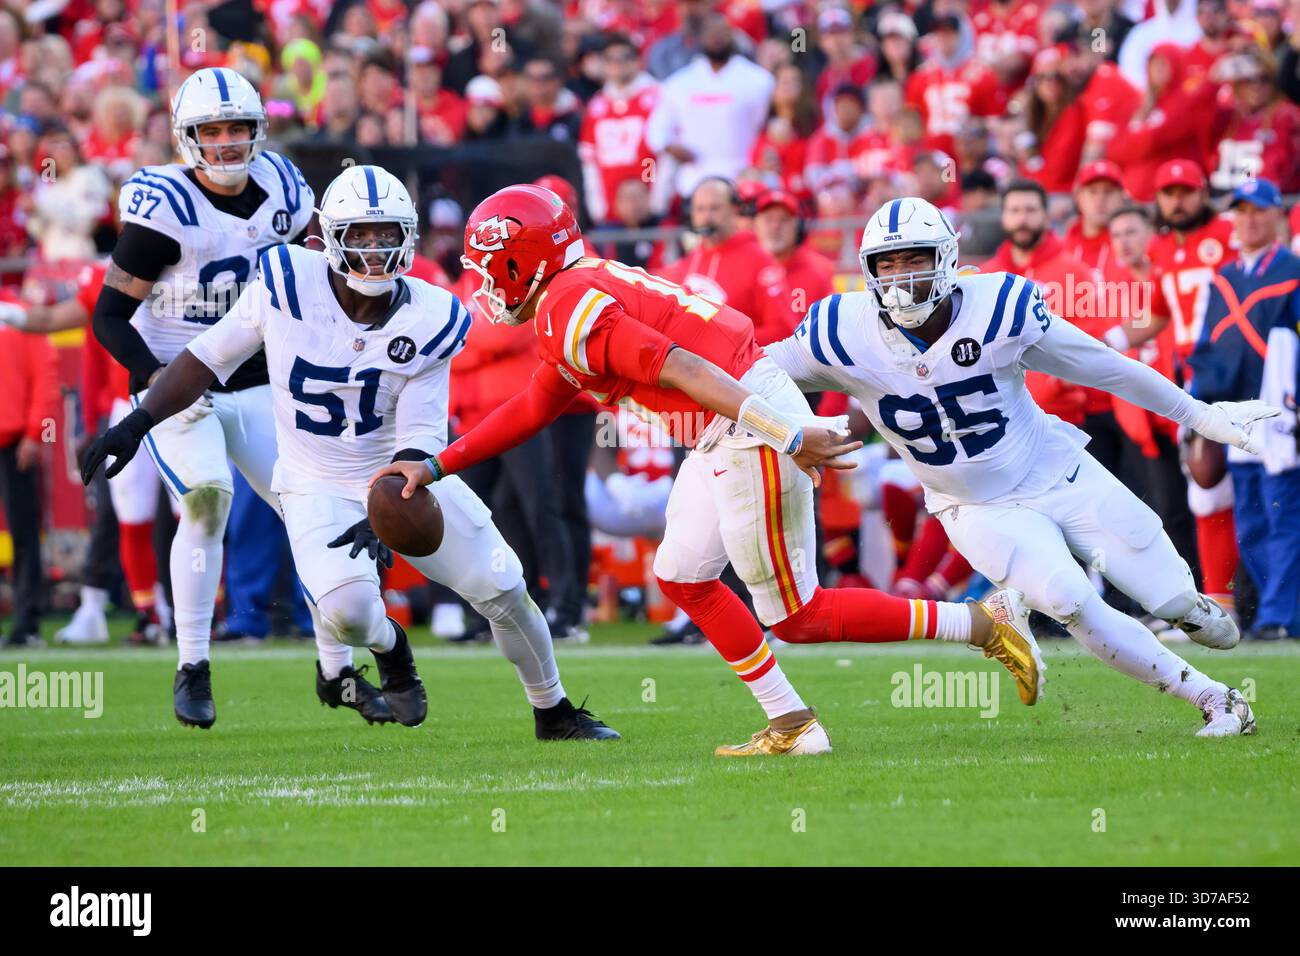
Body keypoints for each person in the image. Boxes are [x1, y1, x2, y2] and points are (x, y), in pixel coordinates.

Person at [373, 184, 1047, 757]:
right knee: (681, 574)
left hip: (744, 422)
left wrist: (784, 434)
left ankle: (982, 624)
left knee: (798, 614)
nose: (488, 284)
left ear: (522, 262)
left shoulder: (569, 308)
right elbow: (533, 406)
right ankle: (792, 721)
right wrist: (435, 464)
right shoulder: (573, 295)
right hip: (729, 423)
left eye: (493, 269)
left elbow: (684, 368)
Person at [81, 165, 617, 742]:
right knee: (351, 614)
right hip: (314, 484)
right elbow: (204, 358)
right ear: (329, 237)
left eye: (387, 234)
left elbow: (421, 435)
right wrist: (139, 421)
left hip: (400, 478)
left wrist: (388, 502)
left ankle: (553, 710)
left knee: (504, 585)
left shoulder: (432, 315)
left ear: (408, 237)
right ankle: (391, 646)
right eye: (360, 234)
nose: (375, 248)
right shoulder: (285, 282)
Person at [765, 196, 1271, 737]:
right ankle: (1215, 698)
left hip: (1054, 469)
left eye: (914, 259)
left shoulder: (999, 307)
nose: (901, 277)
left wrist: (1199, 415)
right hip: (975, 507)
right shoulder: (841, 330)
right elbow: (754, 374)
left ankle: (1187, 608)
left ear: (946, 258)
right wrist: (783, 432)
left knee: (1173, 599)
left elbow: (1105, 367)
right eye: (886, 264)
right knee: (1068, 599)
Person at [87, 68, 314, 728]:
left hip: (259, 381)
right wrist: (154, 380)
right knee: (207, 500)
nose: (226, 141)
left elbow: (311, 285)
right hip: (179, 383)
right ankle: (192, 665)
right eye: (211, 130)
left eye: (237, 128)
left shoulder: (285, 188)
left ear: (258, 130)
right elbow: (108, 317)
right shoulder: (165, 208)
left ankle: (343, 663)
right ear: (188, 137)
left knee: (312, 506)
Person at [1102, 159, 1240, 614]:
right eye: (1169, 193)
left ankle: (1266, 600)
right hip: (1196, 378)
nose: (1177, 202)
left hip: (1242, 368)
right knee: (1207, 486)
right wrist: (1107, 341)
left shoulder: (1228, 231)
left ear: (1203, 193)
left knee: (1262, 483)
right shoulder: (1162, 248)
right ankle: (1222, 598)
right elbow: (1160, 313)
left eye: (1186, 192)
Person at [1189, 178, 1300, 640]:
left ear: (1277, 215)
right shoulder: (1225, 278)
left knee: (1283, 512)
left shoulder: (1293, 271)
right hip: (1236, 412)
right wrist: (1196, 408)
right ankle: (1273, 611)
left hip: (1281, 411)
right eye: (1242, 211)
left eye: (1258, 210)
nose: (1249, 220)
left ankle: (1280, 615)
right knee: (1251, 518)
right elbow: (1208, 345)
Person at [656, 177, 797, 346]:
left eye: (715, 208)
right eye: (700, 209)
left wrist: (725, 342)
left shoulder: (759, 260)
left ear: (734, 210)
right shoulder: (687, 264)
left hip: (743, 361)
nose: (707, 217)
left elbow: (784, 330)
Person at [0, 299, 57, 648]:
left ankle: (27, 622)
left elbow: (45, 374)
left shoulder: (19, 313)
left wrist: (36, 434)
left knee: (23, 533)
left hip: (14, 440)